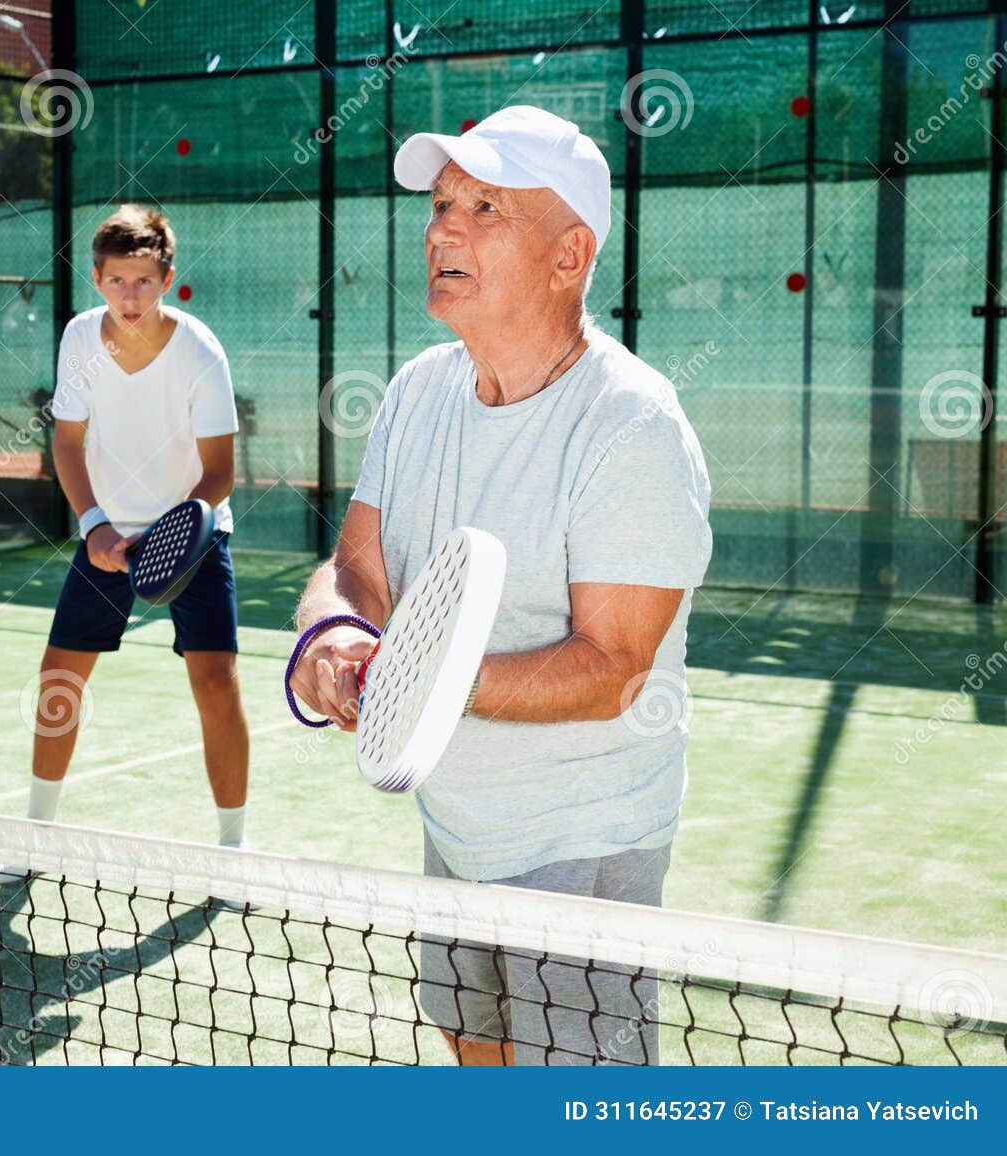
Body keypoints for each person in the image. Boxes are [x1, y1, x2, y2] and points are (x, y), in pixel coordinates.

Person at [289, 106, 713, 1065]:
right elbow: (358, 567)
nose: (444, 228)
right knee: (470, 1040)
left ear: (569, 257)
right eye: (442, 204)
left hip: (582, 839)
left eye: (485, 208)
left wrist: (423, 681)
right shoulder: (416, 391)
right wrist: (332, 638)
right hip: (456, 822)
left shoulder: (633, 426)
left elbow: (614, 668)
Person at [0, 205, 249, 880]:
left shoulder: (200, 352)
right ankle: (34, 839)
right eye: (118, 281)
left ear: (167, 279)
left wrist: (173, 536)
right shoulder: (80, 339)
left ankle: (233, 854)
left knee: (215, 685)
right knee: (59, 681)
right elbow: (67, 443)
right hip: (108, 537)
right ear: (97, 279)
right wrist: (96, 524)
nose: (131, 296)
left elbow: (220, 473)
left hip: (193, 540)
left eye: (144, 280)